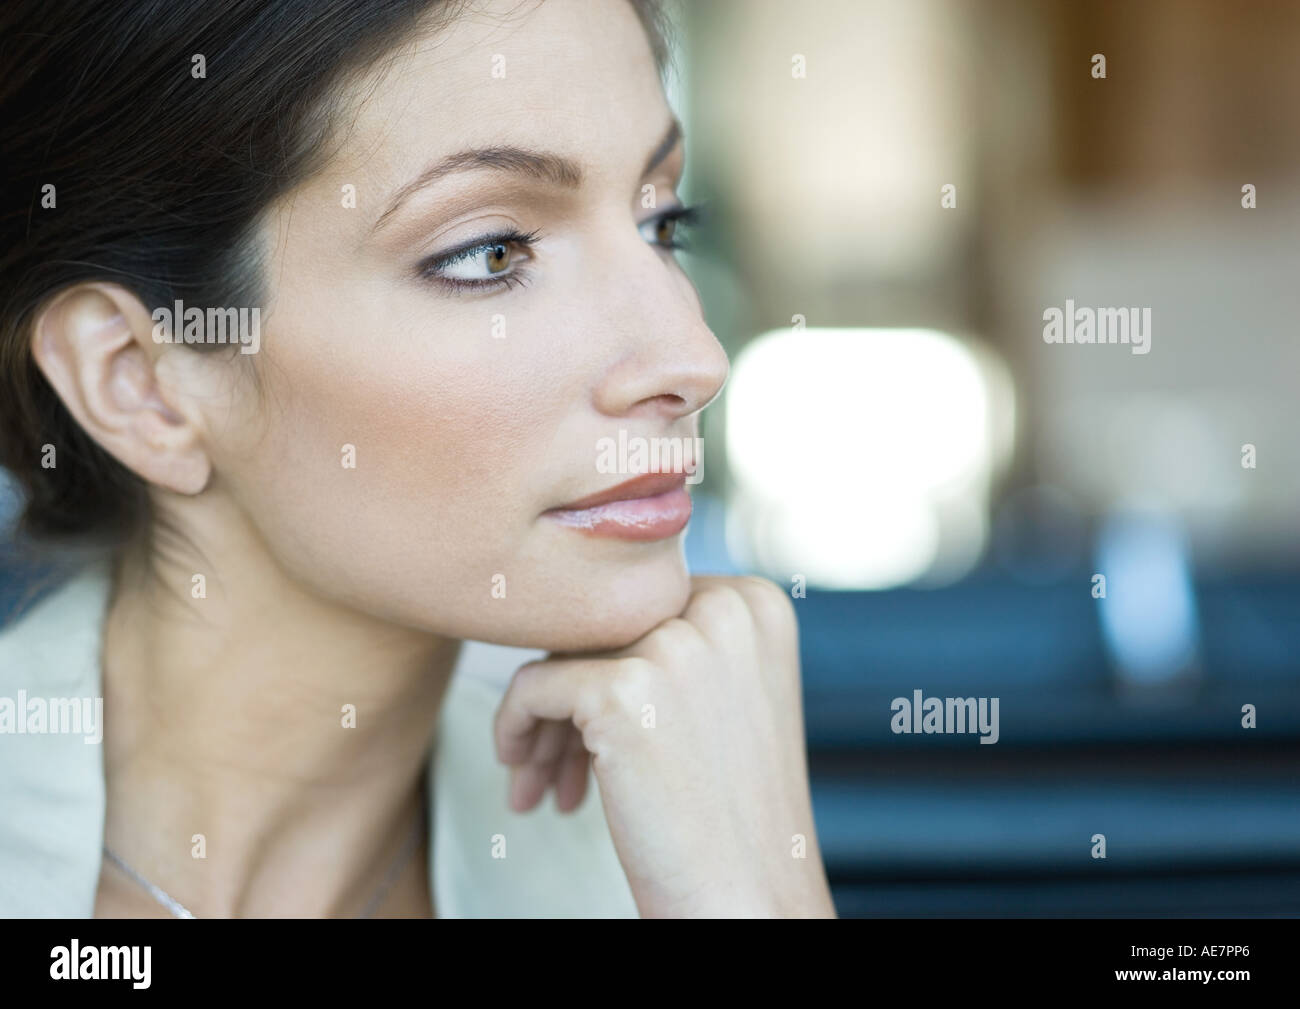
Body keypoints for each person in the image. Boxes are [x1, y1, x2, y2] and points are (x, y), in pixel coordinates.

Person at [0, 0, 836, 918]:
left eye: (662, 223)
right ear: (140, 386)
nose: (694, 359)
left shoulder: (672, 847)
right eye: (491, 253)